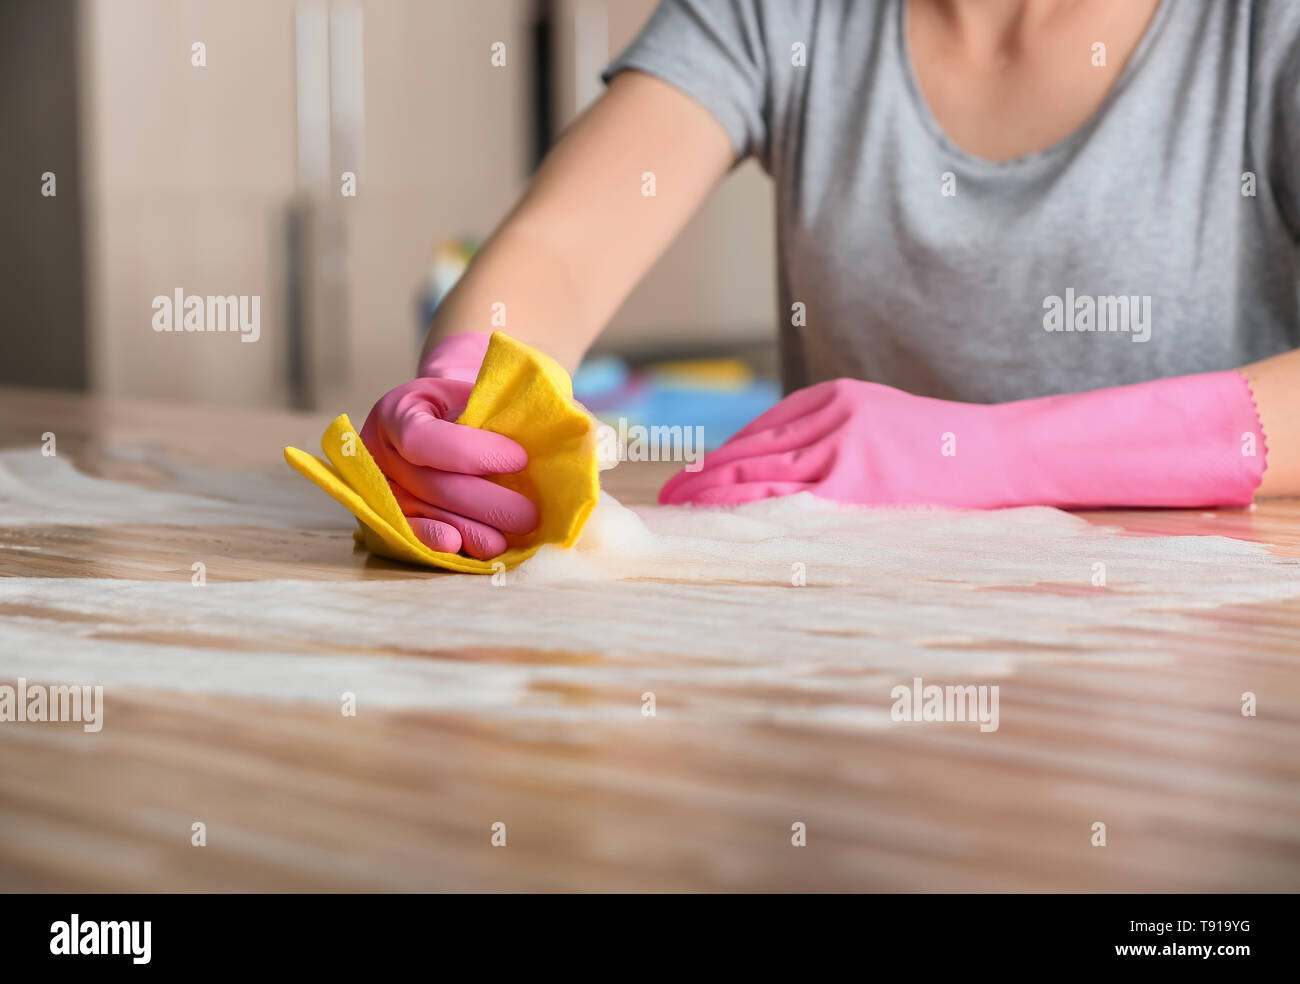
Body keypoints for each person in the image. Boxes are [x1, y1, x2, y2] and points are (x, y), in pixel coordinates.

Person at [362, 0, 1300, 560]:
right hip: (849, 662)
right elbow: (562, 250)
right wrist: (474, 389)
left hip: (1211, 660)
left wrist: (987, 455)